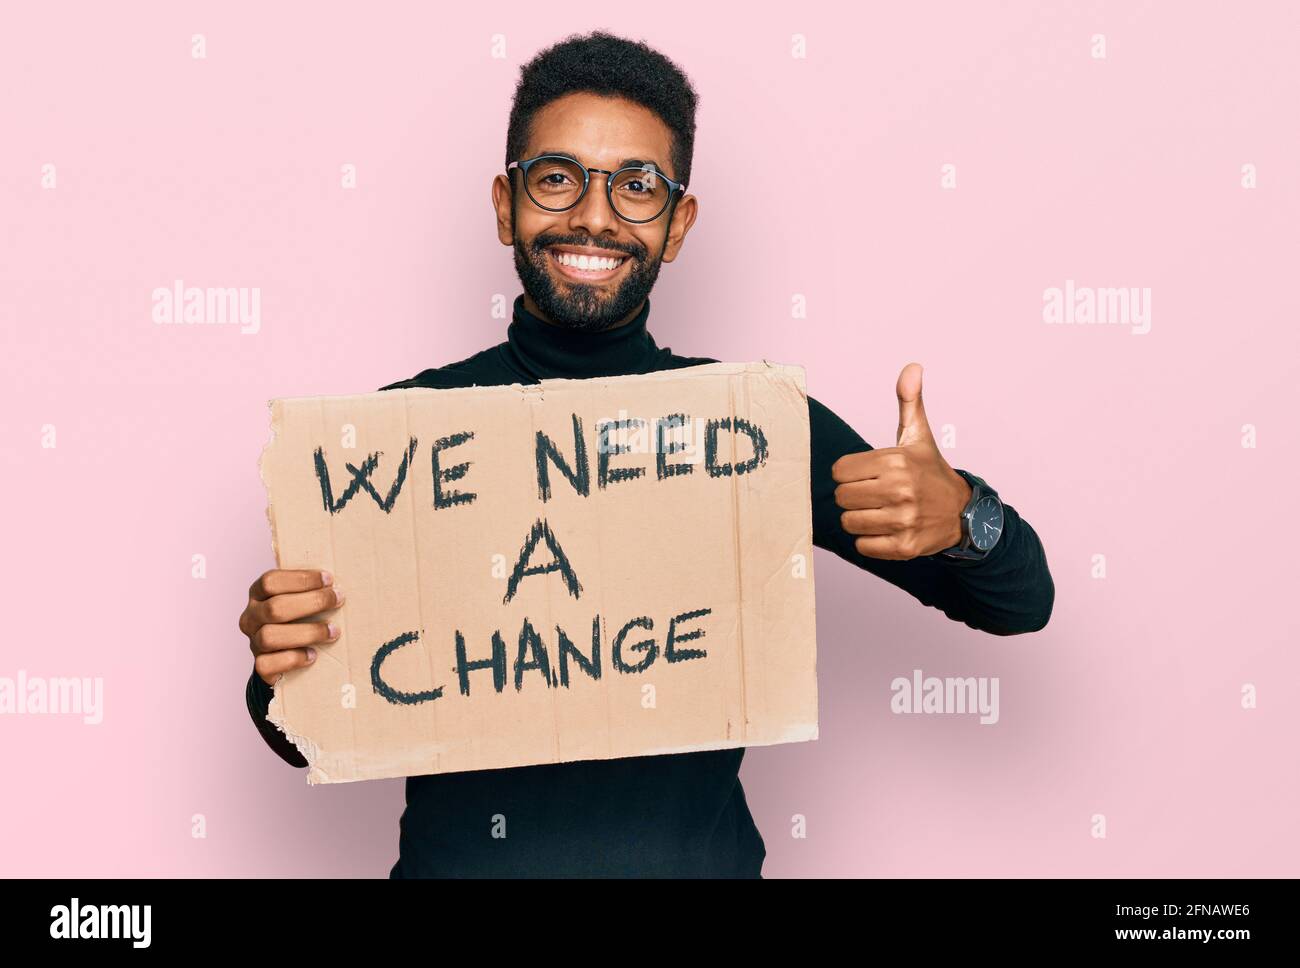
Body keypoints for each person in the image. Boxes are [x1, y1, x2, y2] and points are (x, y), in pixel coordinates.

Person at [237, 30, 1055, 878]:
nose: (593, 215)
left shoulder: (747, 433)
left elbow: (1020, 602)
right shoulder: (398, 440)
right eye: (558, 178)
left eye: (637, 187)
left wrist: (966, 515)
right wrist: (278, 665)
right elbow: (301, 735)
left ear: (676, 226)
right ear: (503, 203)